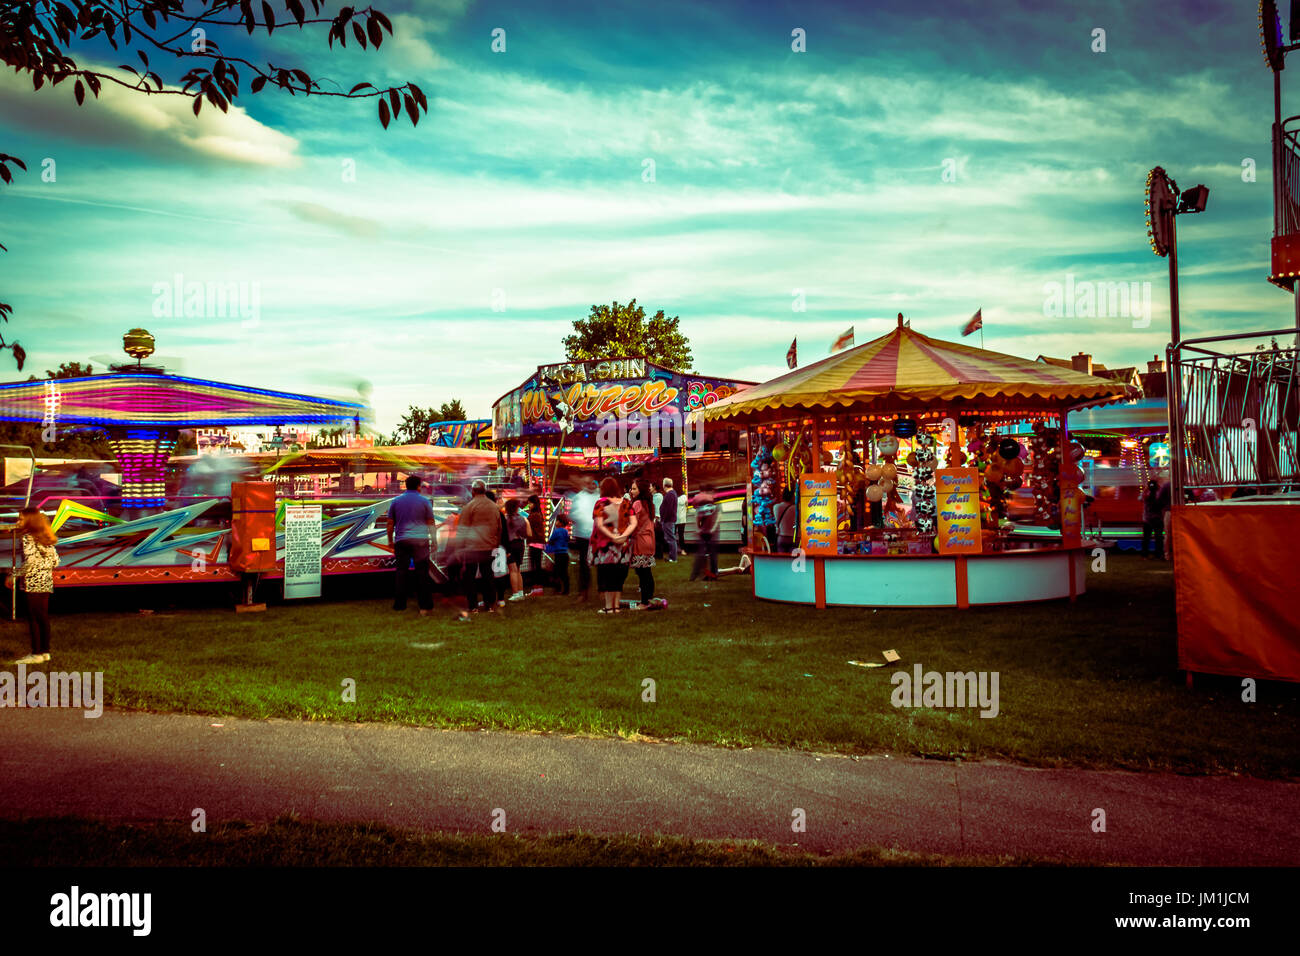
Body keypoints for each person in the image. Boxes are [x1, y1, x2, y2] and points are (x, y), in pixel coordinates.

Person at [5, 507, 59, 664]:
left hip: (34, 581)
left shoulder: (28, 538)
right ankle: (45, 651)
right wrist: (44, 566)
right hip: (46, 580)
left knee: (34, 617)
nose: (18, 522)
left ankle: (36, 654)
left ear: (30, 521)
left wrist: (14, 575)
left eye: (21, 519)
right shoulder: (45, 537)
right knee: (43, 617)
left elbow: (30, 562)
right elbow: (55, 560)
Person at [451, 479, 501, 622]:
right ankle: (490, 605)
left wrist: (458, 548)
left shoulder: (469, 507)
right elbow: (499, 528)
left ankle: (473, 606)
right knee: (488, 576)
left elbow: (462, 530)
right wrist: (495, 545)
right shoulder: (493, 507)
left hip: (472, 548)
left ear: (473, 491)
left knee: (470, 578)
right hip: (489, 546)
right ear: (484, 490)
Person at [386, 475, 436, 616]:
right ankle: (425, 606)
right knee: (422, 574)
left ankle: (400, 605)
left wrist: (390, 540)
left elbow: (390, 523)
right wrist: (434, 540)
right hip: (420, 541)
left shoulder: (396, 501)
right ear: (418, 486)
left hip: (402, 540)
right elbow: (431, 523)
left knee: (401, 572)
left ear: (405, 486)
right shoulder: (425, 501)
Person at [590, 476, 632, 613]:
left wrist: (612, 536)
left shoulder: (601, 503)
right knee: (618, 577)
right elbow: (633, 522)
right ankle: (616, 606)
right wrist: (623, 535)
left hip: (605, 545)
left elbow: (599, 524)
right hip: (623, 546)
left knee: (607, 576)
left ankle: (608, 607)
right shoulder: (626, 502)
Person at [628, 478, 657, 608]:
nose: (631, 491)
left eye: (634, 488)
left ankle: (645, 602)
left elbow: (632, 523)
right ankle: (648, 599)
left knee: (643, 574)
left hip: (641, 541)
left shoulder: (637, 504)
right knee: (646, 572)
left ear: (641, 490)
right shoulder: (649, 504)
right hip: (649, 539)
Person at [568, 475, 598, 601]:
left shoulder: (599, 496)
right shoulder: (579, 497)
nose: (589, 485)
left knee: (600, 563)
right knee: (583, 565)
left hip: (597, 535)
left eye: (591, 483)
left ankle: (603, 590)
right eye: (587, 483)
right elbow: (573, 514)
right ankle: (583, 591)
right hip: (583, 536)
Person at [689, 484, 720, 581]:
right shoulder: (713, 500)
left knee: (701, 553)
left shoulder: (697, 499)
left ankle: (695, 575)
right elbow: (718, 516)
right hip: (711, 531)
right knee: (712, 553)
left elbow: (697, 515)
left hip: (703, 530)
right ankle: (712, 574)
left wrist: (697, 528)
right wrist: (714, 528)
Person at [504, 498, 528, 601]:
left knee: (512, 570)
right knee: (518, 570)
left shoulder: (506, 519)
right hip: (520, 544)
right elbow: (526, 533)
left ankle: (515, 593)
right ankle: (521, 592)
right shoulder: (522, 519)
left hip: (511, 545)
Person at [525, 493, 547, 590]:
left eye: (530, 503)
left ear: (534, 503)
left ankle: (537, 584)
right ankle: (538, 583)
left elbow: (527, 525)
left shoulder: (534, 515)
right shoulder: (538, 514)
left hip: (535, 542)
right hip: (538, 542)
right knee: (536, 564)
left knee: (535, 565)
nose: (529, 505)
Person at [545, 514, 571, 594]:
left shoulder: (557, 531)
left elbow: (551, 540)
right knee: (564, 572)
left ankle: (558, 588)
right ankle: (566, 589)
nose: (555, 522)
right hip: (565, 554)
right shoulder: (566, 531)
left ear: (560, 522)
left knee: (557, 572)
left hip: (559, 554)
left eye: (557, 521)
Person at [1140, 480, 1162, 559]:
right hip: (1157, 518)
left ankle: (1144, 554)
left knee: (1146, 538)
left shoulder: (1145, 495)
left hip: (1147, 519)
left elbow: (1140, 498)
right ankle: (1158, 554)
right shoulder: (1158, 495)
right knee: (1158, 537)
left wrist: (1146, 488)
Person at [660, 477, 679, 562]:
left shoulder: (670, 494)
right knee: (671, 538)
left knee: (671, 539)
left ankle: (673, 558)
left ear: (664, 485)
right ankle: (672, 557)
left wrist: (663, 519)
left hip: (668, 520)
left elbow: (669, 509)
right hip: (669, 519)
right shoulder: (672, 493)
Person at [775, 488, 797, 552]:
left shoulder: (776, 507)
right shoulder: (796, 508)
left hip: (781, 536)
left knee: (782, 560)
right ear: (792, 496)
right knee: (793, 559)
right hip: (794, 537)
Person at [1157, 478, 1173, 561]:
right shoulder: (1183, 484)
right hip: (1180, 511)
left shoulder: (1166, 485)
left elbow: (1159, 499)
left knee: (1168, 534)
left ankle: (1168, 555)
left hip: (1169, 511)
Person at [650, 481, 665, 559]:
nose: (649, 488)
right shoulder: (655, 496)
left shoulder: (657, 496)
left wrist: (656, 518)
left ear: (654, 487)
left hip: (657, 519)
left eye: (651, 486)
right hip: (657, 518)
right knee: (656, 537)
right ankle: (658, 554)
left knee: (657, 537)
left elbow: (657, 508)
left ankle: (659, 554)